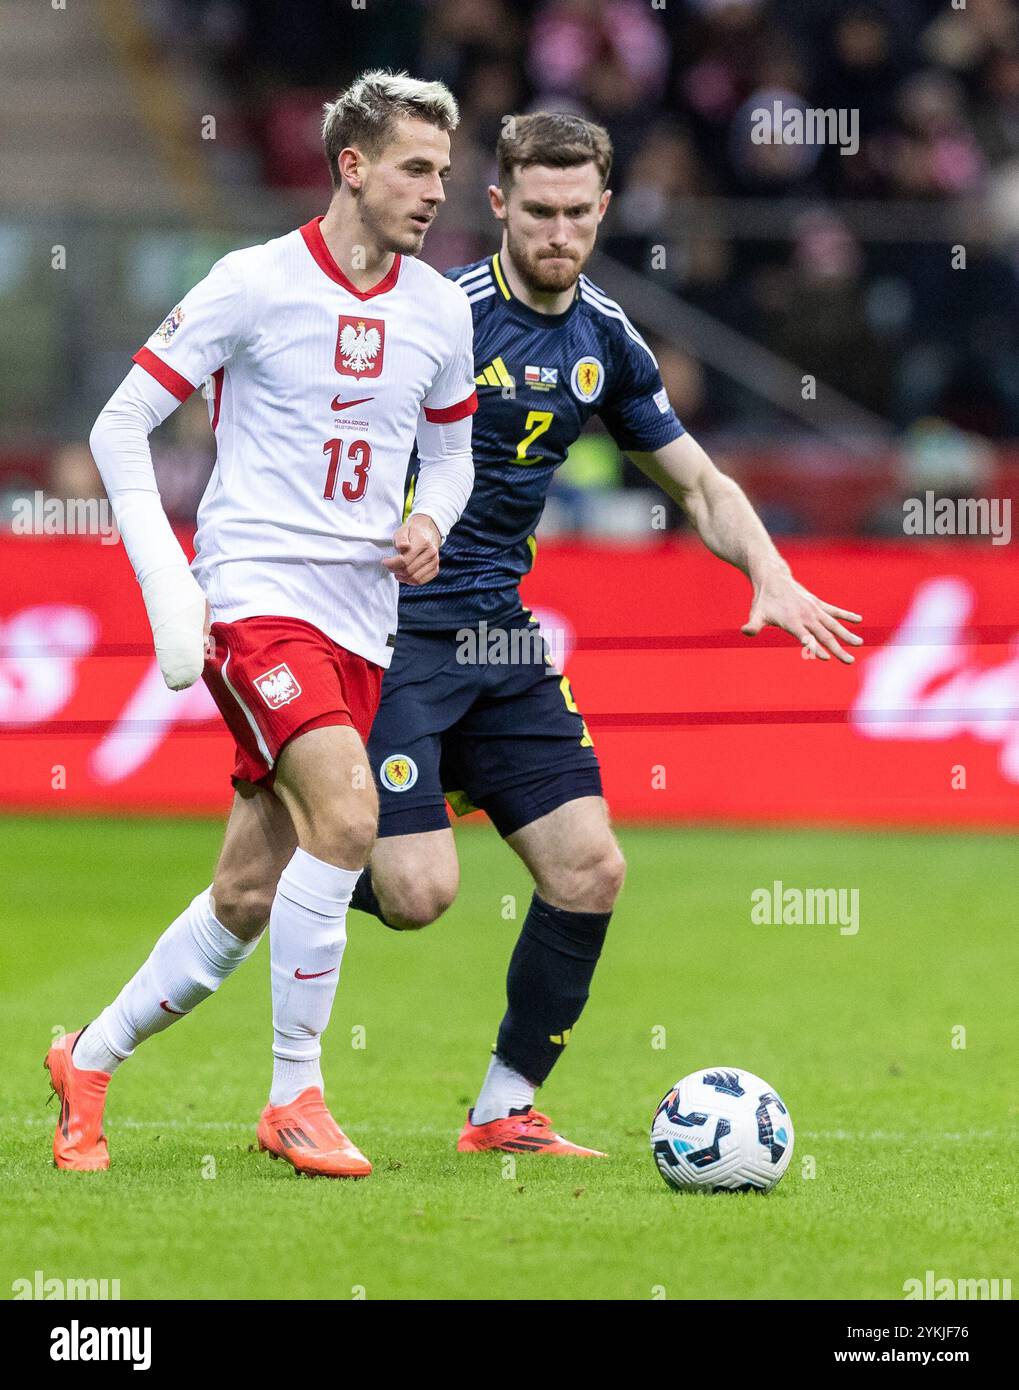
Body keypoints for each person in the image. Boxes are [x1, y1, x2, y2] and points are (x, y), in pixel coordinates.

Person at [352, 112, 863, 1156]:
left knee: (589, 869)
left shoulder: (605, 337)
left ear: (603, 210)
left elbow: (698, 482)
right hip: (390, 629)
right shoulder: (436, 318)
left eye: (577, 213)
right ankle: (284, 874)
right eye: (536, 211)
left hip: (499, 636)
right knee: (415, 894)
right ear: (496, 205)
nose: (557, 232)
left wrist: (767, 568)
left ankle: (501, 1108)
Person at [46, 71, 477, 1179]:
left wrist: (430, 517)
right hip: (253, 598)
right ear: (352, 165)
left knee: (245, 893)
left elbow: (452, 454)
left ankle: (86, 1060)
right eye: (415, 167)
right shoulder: (252, 283)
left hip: (362, 620)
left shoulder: (438, 308)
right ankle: (294, 1098)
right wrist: (167, 583)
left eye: (443, 169)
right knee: (347, 815)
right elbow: (120, 423)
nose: (436, 191)